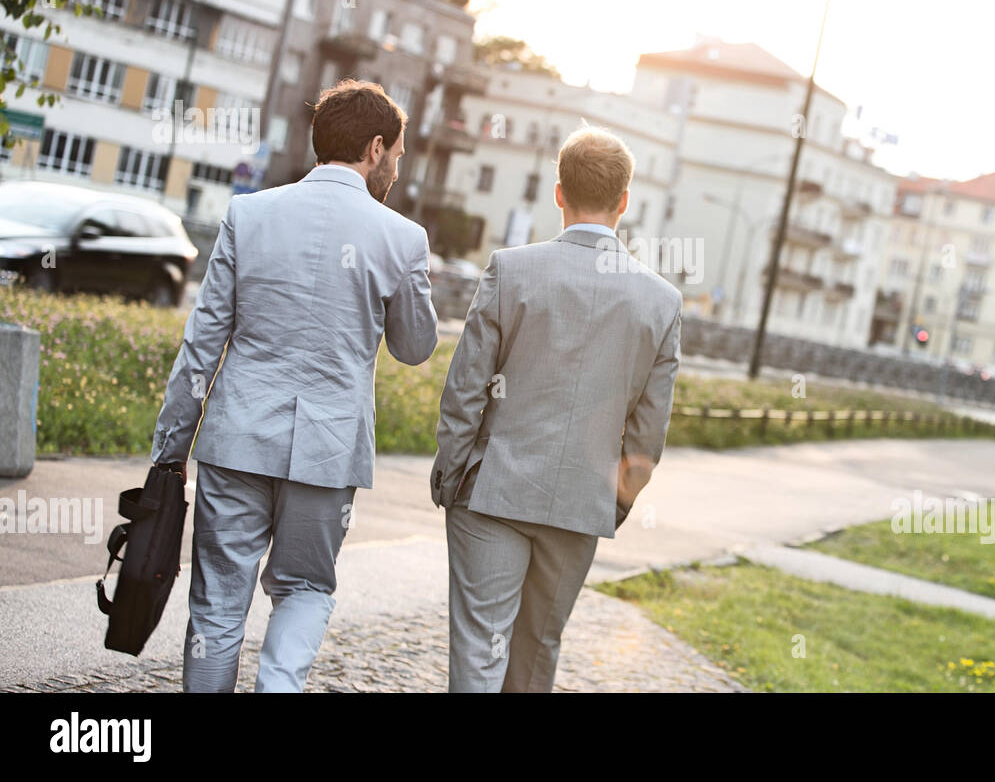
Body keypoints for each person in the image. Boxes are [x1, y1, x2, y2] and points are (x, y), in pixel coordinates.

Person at [151, 79, 439, 692]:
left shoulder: (248, 214)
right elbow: (415, 349)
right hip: (328, 455)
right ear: (375, 147)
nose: (398, 166)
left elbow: (202, 344)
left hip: (235, 440)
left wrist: (171, 448)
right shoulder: (402, 237)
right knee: (305, 589)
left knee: (219, 601)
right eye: (397, 154)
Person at [432, 126, 683, 692]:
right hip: (581, 501)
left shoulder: (510, 269)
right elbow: (649, 431)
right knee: (539, 649)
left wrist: (452, 472)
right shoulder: (661, 302)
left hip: (491, 490)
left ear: (558, 192)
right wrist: (617, 499)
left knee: (480, 644)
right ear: (624, 201)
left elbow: (466, 387)